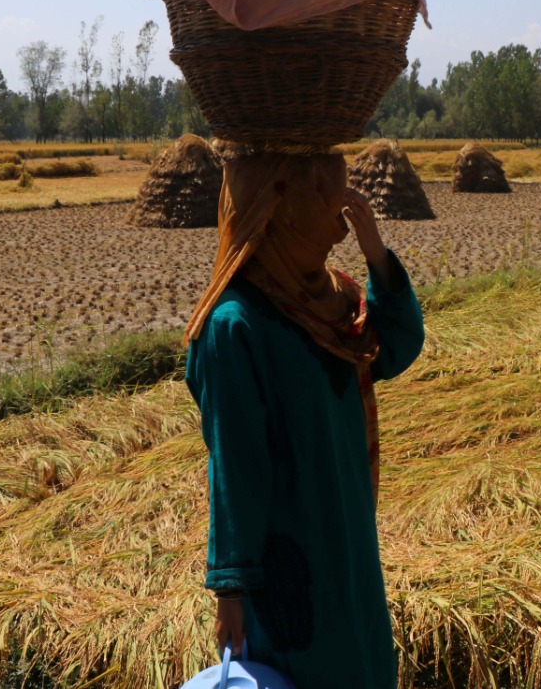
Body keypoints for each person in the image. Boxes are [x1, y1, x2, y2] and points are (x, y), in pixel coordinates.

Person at [184, 149, 424, 687]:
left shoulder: (332, 299)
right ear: (277, 207)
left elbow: (397, 348)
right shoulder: (235, 326)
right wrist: (230, 591)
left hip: (349, 545)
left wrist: (377, 256)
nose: (335, 205)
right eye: (316, 191)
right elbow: (236, 468)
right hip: (291, 571)